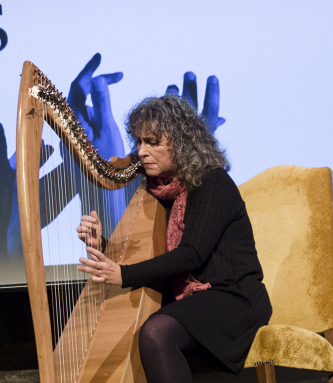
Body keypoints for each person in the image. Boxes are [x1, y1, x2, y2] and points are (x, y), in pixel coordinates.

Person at [76, 94, 270, 383]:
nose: (141, 152)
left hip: (231, 298)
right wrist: (101, 244)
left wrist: (123, 274)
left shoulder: (211, 183)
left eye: (152, 142)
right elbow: (147, 258)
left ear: (182, 143)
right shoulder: (157, 193)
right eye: (139, 141)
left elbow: (191, 254)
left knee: (156, 332)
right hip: (189, 301)